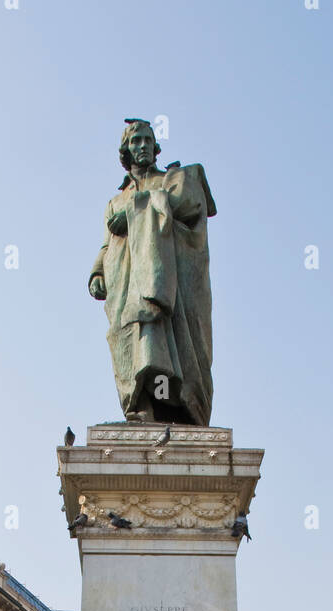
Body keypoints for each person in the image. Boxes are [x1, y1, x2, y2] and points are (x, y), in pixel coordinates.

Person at [89, 118, 216, 426]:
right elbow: (108, 244)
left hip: (170, 284)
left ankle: (175, 407)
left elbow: (190, 208)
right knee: (135, 340)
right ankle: (142, 405)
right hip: (126, 281)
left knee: (165, 338)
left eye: (148, 140)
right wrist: (97, 272)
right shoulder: (114, 202)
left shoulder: (169, 182)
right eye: (136, 141)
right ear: (126, 151)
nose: (143, 146)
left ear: (156, 147)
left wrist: (136, 208)